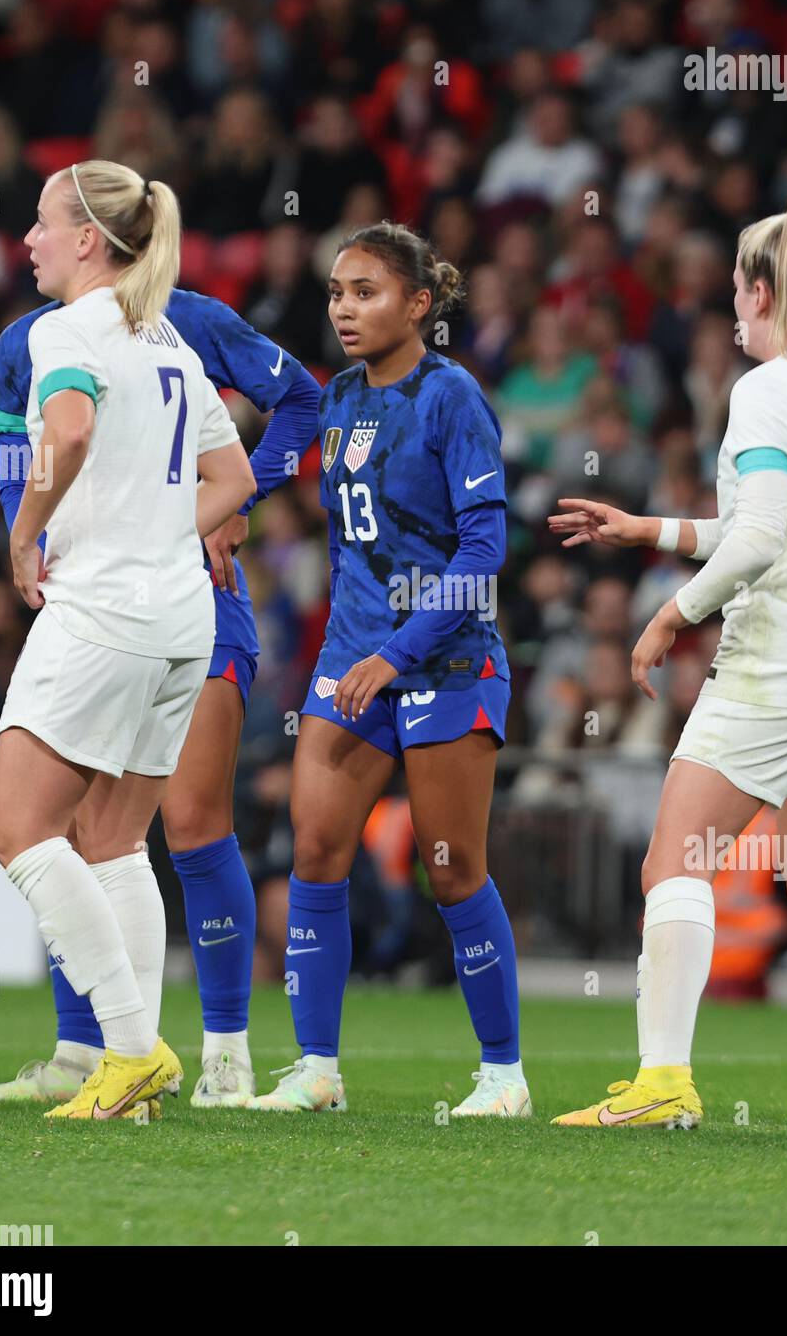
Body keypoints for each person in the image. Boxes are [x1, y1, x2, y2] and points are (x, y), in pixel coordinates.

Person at [547, 195, 787, 1134]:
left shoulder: (766, 389)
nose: (732, 314)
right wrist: (650, 530)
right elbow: (781, 532)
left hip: (784, 658)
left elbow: (755, 546)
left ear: (761, 292)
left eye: (737, 296)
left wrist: (669, 615)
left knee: (675, 860)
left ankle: (664, 1082)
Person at [0, 271, 320, 1110]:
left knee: (191, 823)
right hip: (93, 597)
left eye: (46, 224)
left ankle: (225, 1050)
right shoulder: (24, 339)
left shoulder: (187, 319)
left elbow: (302, 402)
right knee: (87, 831)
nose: (26, 242)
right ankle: (85, 1050)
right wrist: (43, 547)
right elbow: (18, 457)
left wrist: (227, 506)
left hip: (192, 594)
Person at [246, 222, 529, 1118]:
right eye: (335, 292)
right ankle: (317, 1070)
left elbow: (485, 551)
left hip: (445, 660)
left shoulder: (454, 399)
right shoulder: (334, 400)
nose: (343, 308)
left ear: (417, 304)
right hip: (351, 657)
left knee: (452, 870)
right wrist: (227, 510)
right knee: (316, 853)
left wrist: (397, 651)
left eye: (364, 291)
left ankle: (503, 1077)